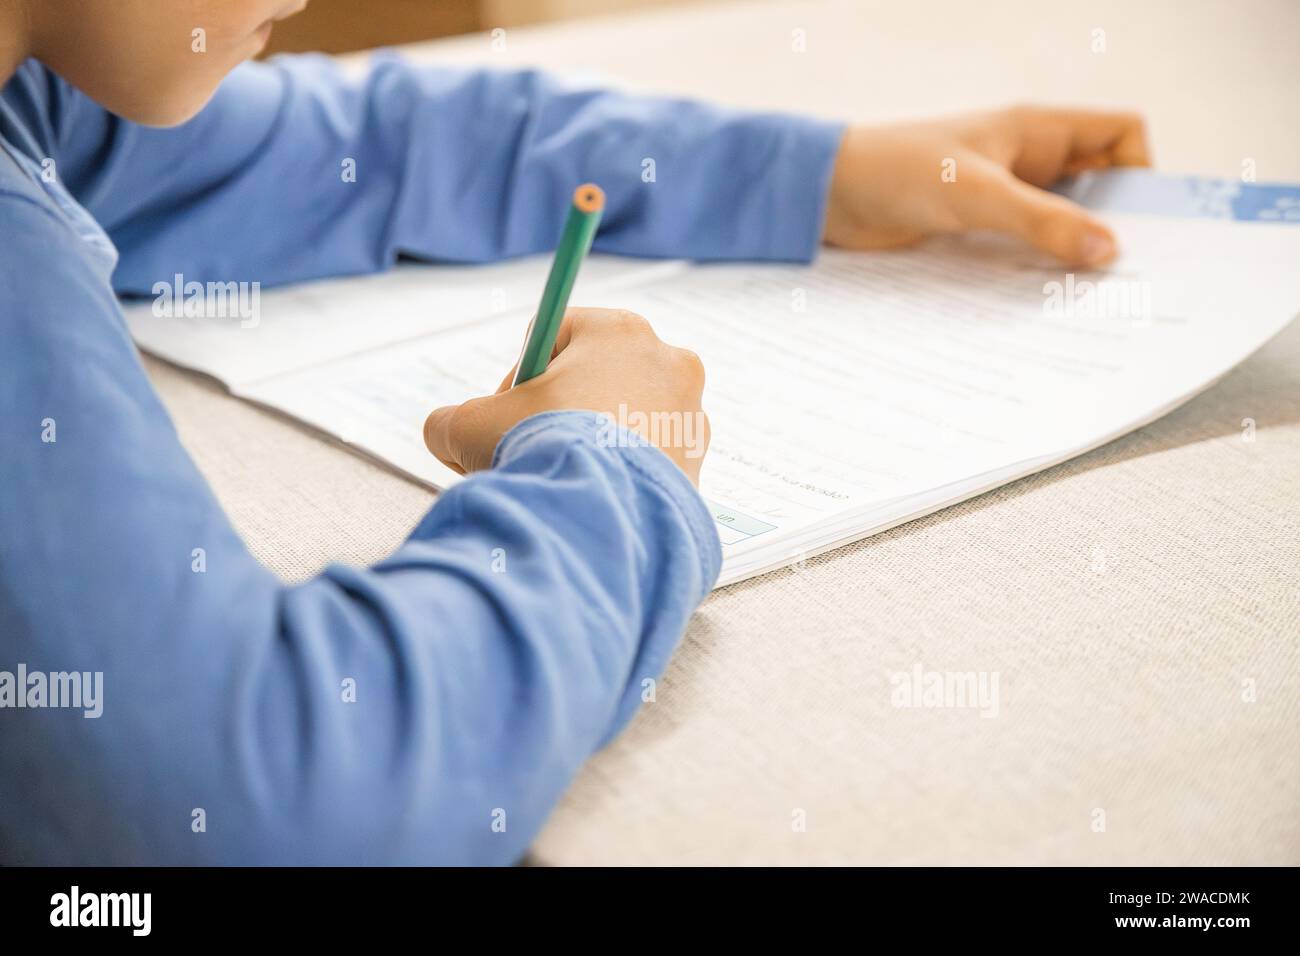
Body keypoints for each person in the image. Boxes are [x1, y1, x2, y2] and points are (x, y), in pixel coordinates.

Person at [0, 1, 1150, 864]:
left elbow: (375, 148)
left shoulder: (33, 95)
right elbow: (267, 801)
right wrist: (608, 466)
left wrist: (820, 172)